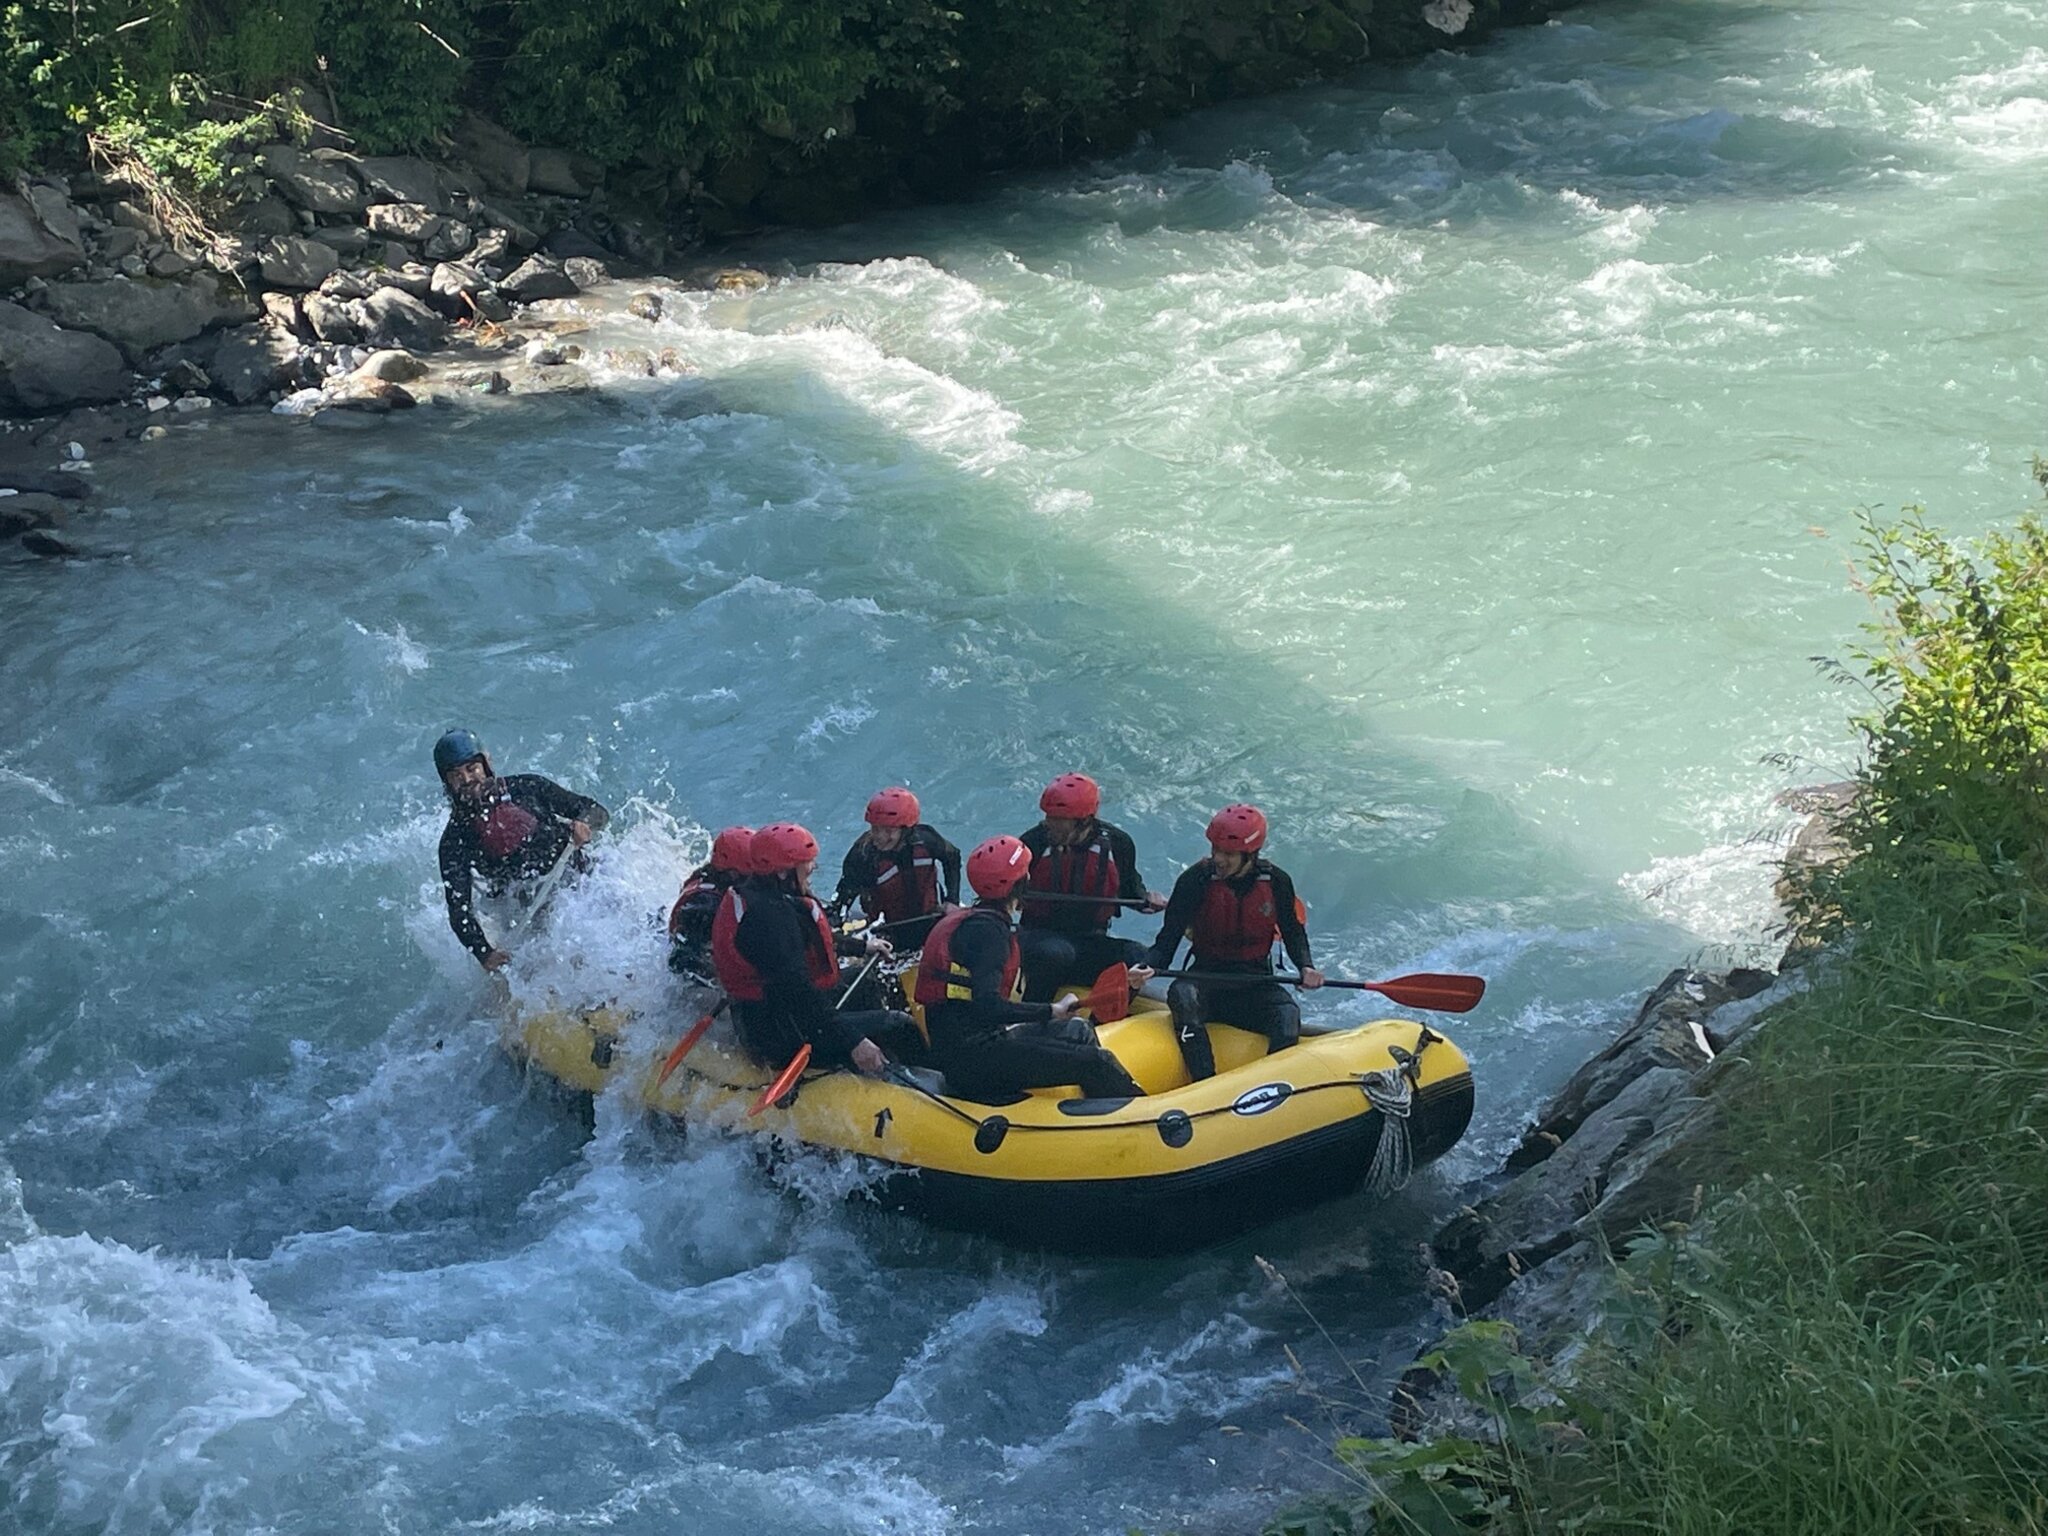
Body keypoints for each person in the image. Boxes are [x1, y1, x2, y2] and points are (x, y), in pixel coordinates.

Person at [916, 836, 1146, 1103]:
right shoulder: (989, 934)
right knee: (1096, 1061)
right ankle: (1143, 1116)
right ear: (1019, 884)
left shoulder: (976, 920)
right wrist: (1050, 1010)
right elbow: (988, 1006)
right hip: (973, 1060)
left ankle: (1091, 1113)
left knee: (1078, 1030)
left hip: (979, 1041)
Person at [711, 820, 923, 1076]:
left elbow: (807, 940)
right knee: (898, 1024)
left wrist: (862, 947)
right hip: (780, 1033)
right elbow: (800, 995)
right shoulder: (769, 919)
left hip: (780, 1013)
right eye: (806, 863)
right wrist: (853, 1040)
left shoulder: (758, 894)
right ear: (783, 872)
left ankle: (874, 1051)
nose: (813, 867)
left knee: (865, 979)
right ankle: (909, 1078)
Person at [1144, 803, 1322, 1081]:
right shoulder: (1195, 880)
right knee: (1182, 994)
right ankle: (1205, 1081)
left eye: (1228, 853)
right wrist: (1145, 967)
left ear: (1250, 855)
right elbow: (1166, 942)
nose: (1219, 859)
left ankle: (1270, 1086)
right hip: (1206, 980)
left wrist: (1306, 966)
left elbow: (1292, 931)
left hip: (1255, 983)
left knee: (1288, 1015)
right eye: (1216, 849)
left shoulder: (1276, 881)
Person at [434, 728, 609, 971]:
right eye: (456, 775)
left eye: (472, 769)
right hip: (529, 909)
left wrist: (584, 823)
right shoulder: (454, 841)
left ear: (486, 764)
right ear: (447, 783)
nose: (466, 780)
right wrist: (485, 954)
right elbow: (459, 910)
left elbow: (596, 810)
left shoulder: (528, 788)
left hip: (581, 879)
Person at [1015, 772, 1166, 1002]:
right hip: (1037, 939)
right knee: (1057, 952)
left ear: (1085, 820)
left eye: (1059, 819)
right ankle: (1034, 1012)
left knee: (1139, 956)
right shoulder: (1033, 843)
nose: (1050, 824)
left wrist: (1148, 900)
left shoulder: (1118, 844)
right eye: (1049, 816)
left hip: (1089, 942)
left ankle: (1102, 1017)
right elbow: (1005, 893)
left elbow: (1132, 893)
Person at [832, 787, 962, 951]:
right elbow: (840, 905)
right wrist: (847, 942)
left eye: (888, 830)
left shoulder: (926, 840)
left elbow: (952, 858)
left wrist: (952, 900)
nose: (880, 836)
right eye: (875, 828)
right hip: (887, 932)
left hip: (932, 918)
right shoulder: (862, 857)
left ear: (907, 830)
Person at [667, 825, 753, 979]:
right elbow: (682, 963)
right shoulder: (705, 908)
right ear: (733, 873)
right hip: (684, 960)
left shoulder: (710, 875)